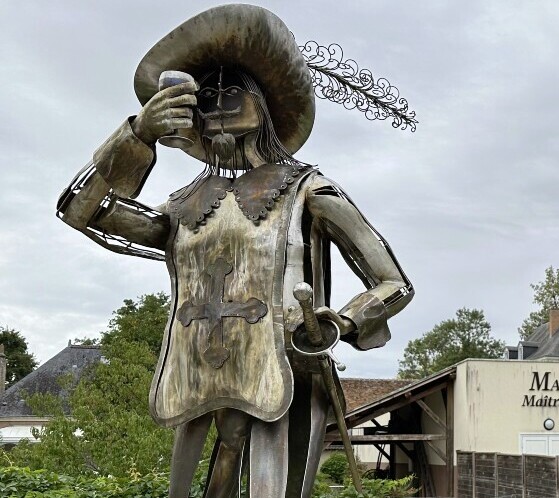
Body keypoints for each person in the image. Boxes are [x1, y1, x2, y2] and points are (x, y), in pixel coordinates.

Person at [56, 5, 415, 497]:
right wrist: (137, 133)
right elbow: (81, 211)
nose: (217, 104)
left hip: (287, 375)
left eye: (232, 92)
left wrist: (343, 321)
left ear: (262, 104)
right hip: (200, 382)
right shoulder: (182, 207)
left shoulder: (308, 190)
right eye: (205, 97)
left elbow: (393, 282)